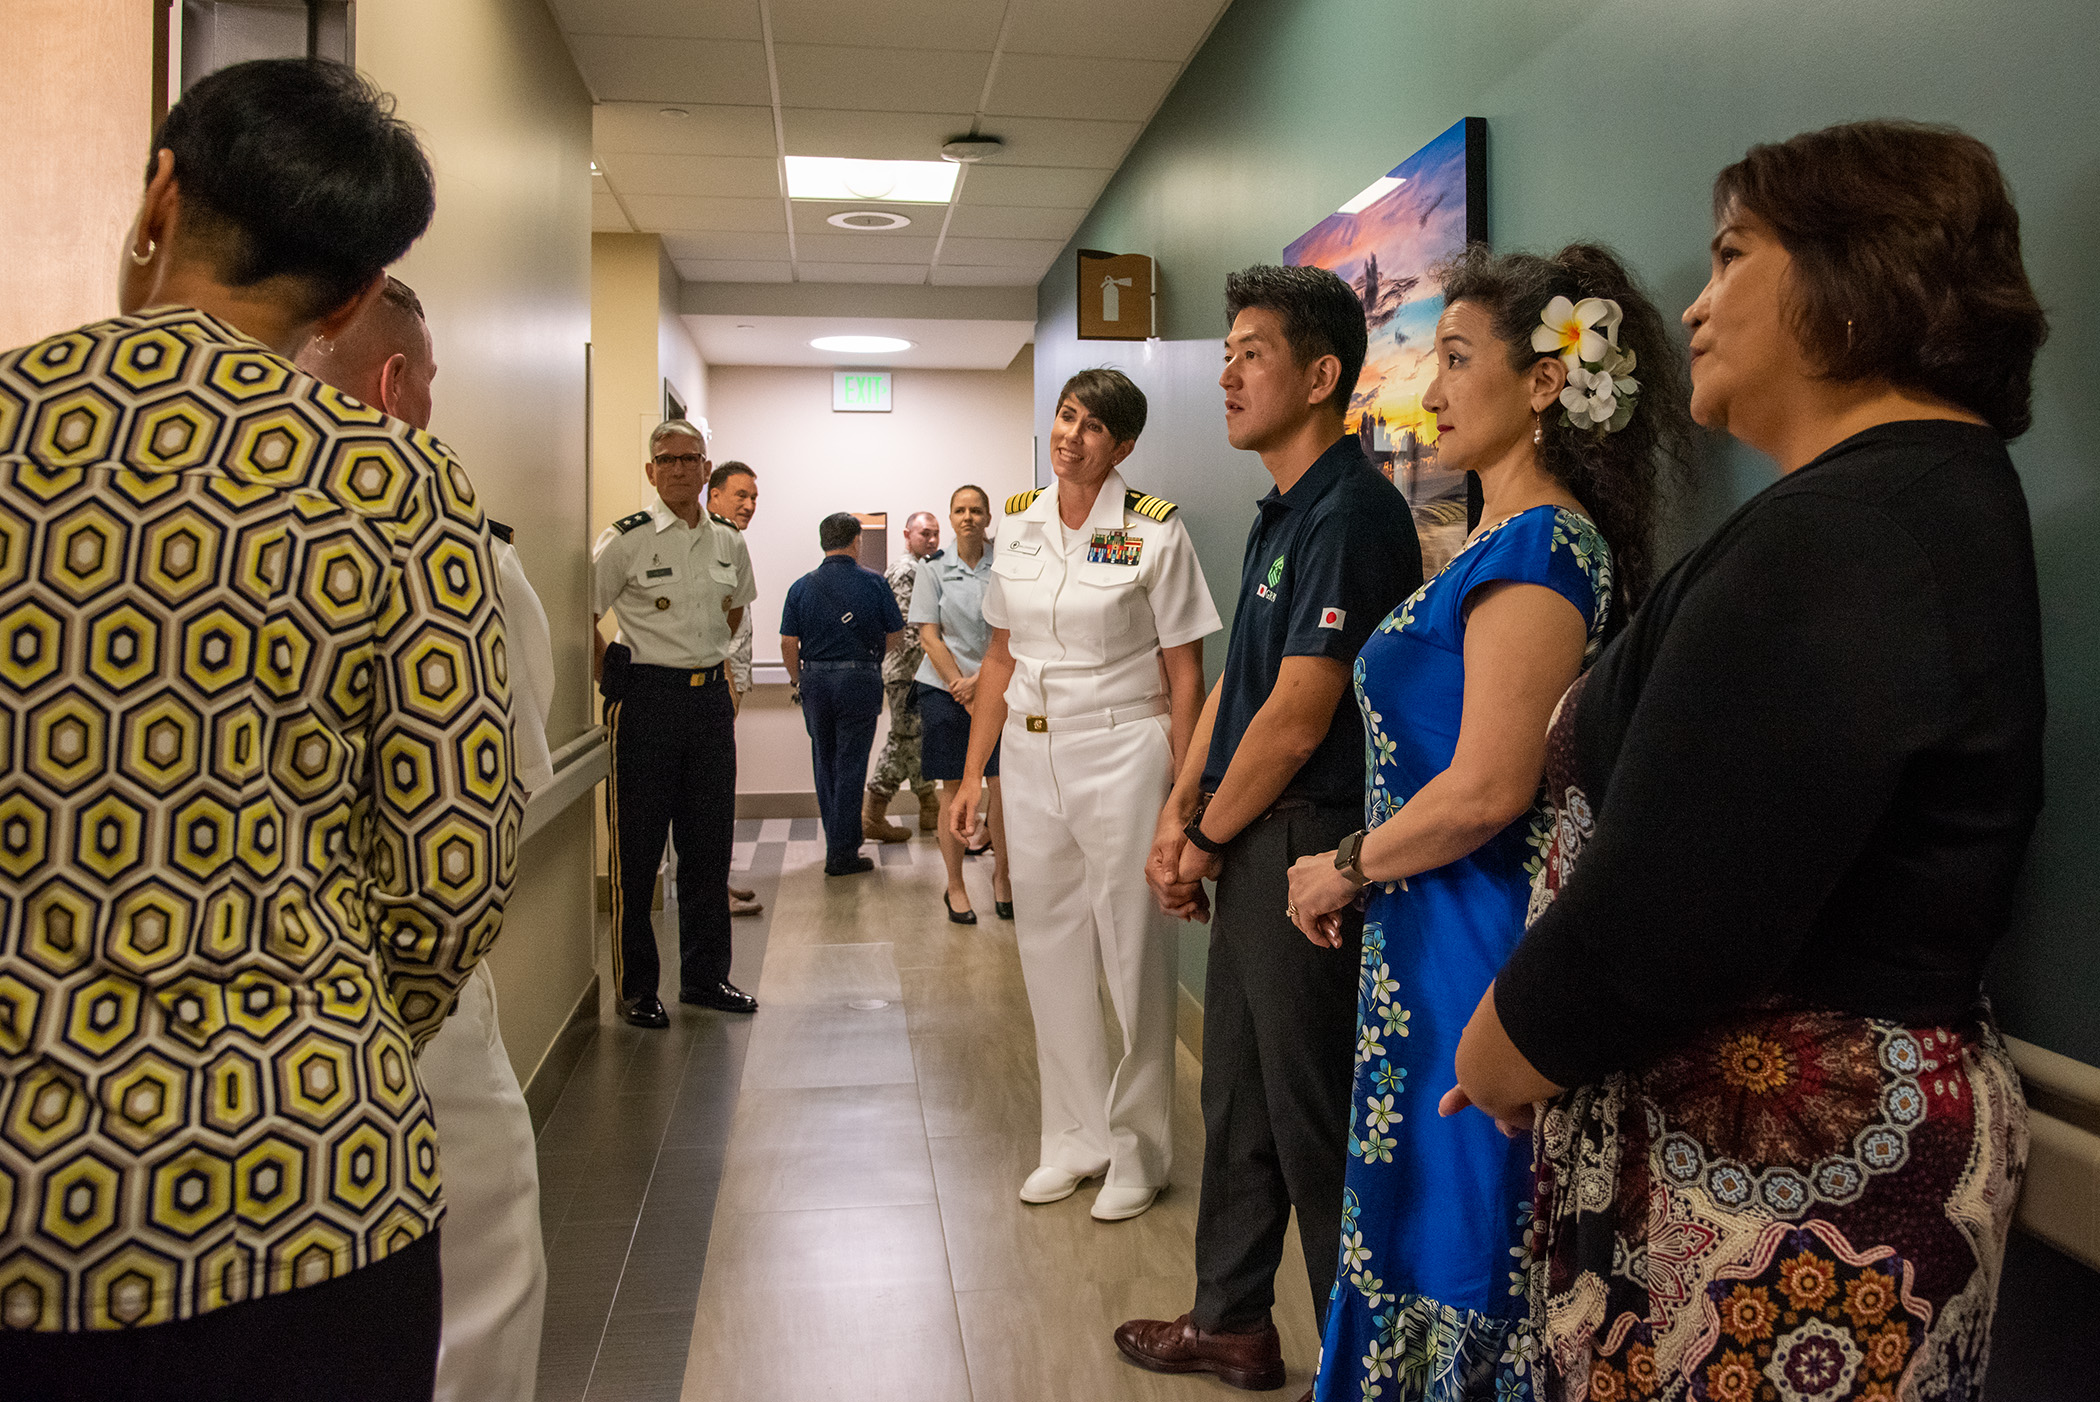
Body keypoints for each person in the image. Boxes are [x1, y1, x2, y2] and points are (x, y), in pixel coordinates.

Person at [1451, 121, 2047, 1400]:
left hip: (1787, 1184)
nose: (1695, 303)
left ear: (1855, 278)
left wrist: (1500, 1046)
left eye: (1732, 255)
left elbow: (1675, 904)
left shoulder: (1849, 534)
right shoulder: (1899, 506)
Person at [0, 58, 514, 1399]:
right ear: (353, 295)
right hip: (313, 1180)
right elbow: (452, 866)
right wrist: (322, 1024)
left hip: (30, 1201)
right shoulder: (395, 485)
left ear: (159, 197)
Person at [1280, 245, 1691, 1402]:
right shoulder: (1498, 541)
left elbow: (1489, 786)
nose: (1433, 390)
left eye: (1457, 359)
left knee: (1458, 1231)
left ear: (1547, 380)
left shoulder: (1542, 549)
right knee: (1415, 1212)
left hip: (1475, 936)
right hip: (1432, 934)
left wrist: (1345, 862)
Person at [1116, 266, 1421, 1392]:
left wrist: (1203, 840)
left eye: (1252, 353)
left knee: (1313, 1115)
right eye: (1227, 354)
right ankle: (1233, 1320)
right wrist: (1180, 815)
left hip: (1309, 850)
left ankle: (1364, 1363)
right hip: (1250, 839)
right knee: (1237, 1096)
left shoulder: (1353, 514)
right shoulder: (1283, 513)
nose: (1228, 376)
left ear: (1322, 374)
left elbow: (1298, 718)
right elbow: (1238, 696)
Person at [297, 274, 555, 1402]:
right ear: (395, 384)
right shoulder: (441, 538)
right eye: (434, 380)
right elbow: (492, 799)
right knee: (478, 1276)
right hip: (385, 997)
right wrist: (398, 1011)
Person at [950, 368, 1221, 1222]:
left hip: (1124, 748)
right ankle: (1073, 1138)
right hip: (1031, 754)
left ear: (1123, 445)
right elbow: (1000, 657)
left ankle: (1139, 1150)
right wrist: (973, 776)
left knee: (1133, 948)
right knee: (1049, 944)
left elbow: (1186, 672)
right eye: (1066, 417)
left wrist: (1182, 794)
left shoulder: (1153, 531)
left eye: (1093, 426)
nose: (1071, 435)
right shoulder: (1020, 522)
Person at [594, 419, 758, 1026]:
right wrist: (611, 676)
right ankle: (637, 988)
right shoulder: (626, 541)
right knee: (637, 853)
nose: (680, 469)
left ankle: (706, 977)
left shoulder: (727, 541)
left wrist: (705, 657)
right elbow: (583, 610)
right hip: (647, 702)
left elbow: (734, 609)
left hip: (708, 702)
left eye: (691, 458)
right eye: (667, 460)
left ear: (707, 469)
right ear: (651, 470)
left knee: (708, 848)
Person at [781, 513, 904, 876]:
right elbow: (896, 635)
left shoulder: (801, 587)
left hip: (815, 681)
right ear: (855, 541)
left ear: (824, 542)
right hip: (859, 680)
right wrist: (871, 660)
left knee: (825, 762)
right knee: (851, 764)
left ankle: (837, 844)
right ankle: (842, 851)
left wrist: (797, 680)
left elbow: (788, 642)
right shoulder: (875, 583)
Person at [913, 486, 1010, 922]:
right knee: (953, 788)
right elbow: (929, 636)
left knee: (1001, 787)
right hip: (945, 690)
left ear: (988, 516)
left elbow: (1013, 630)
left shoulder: (1005, 564)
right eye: (959, 510)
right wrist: (960, 686)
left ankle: (1003, 877)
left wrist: (982, 684)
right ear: (950, 518)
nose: (968, 517)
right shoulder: (933, 569)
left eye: (976, 510)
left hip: (998, 686)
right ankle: (955, 885)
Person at [864, 511, 945, 842]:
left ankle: (929, 806)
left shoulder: (922, 568)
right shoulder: (906, 571)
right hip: (908, 671)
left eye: (935, 533)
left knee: (916, 736)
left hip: (915, 670)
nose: (932, 539)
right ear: (907, 535)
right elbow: (906, 629)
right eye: (925, 533)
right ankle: (874, 812)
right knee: (904, 738)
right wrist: (928, 671)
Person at [707, 459, 764, 918]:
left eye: (754, 498)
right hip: (714, 683)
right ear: (715, 495)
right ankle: (711, 892)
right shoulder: (707, 541)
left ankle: (716, 881)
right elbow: (714, 624)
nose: (748, 504)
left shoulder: (731, 542)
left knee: (715, 792)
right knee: (708, 795)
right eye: (740, 495)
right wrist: (725, 678)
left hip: (731, 681)